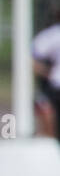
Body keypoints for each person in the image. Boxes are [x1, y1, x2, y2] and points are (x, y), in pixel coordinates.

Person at [33, 8, 60, 143]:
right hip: (55, 86)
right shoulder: (53, 35)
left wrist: (46, 72)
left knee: (49, 127)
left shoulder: (51, 35)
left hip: (55, 84)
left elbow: (31, 59)